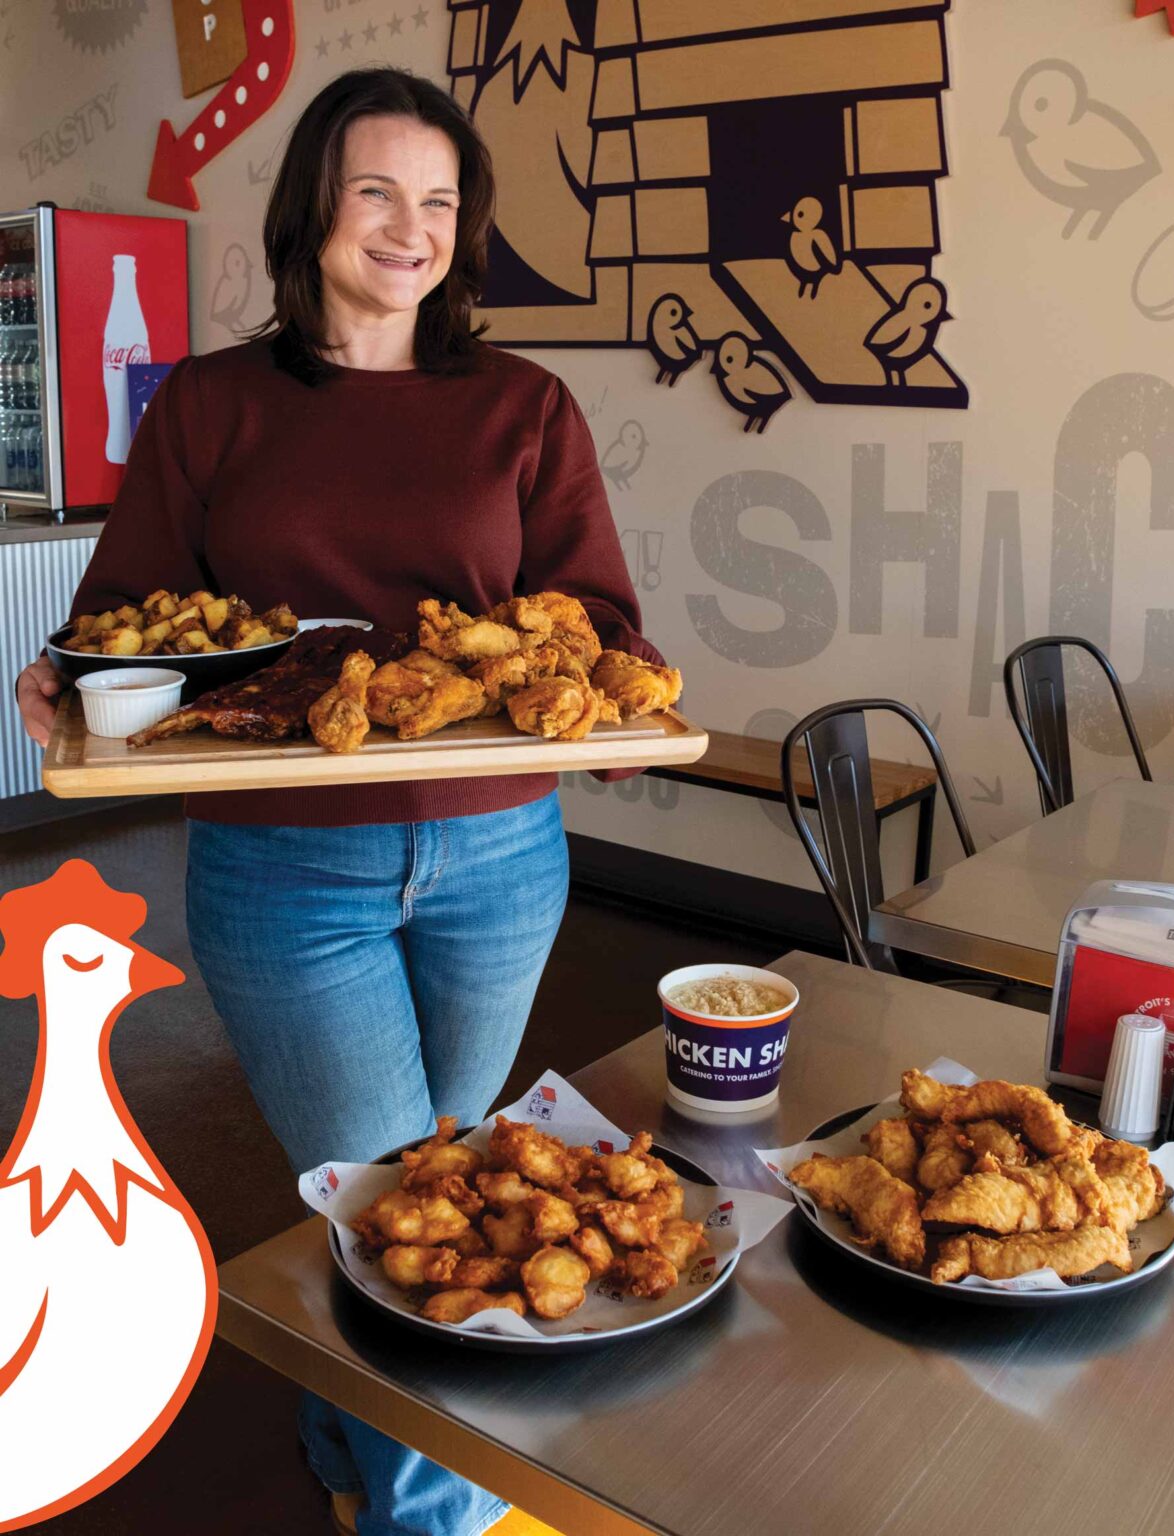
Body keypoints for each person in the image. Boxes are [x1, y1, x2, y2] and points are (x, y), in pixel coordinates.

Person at [17, 67, 663, 1536]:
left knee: (436, 1186)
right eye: (377, 190)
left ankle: (345, 1444)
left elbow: (595, 619)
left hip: (501, 853)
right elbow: (132, 614)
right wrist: (68, 675)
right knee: (396, 1206)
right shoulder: (212, 403)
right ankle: (433, 1517)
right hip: (283, 869)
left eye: (438, 200)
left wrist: (621, 700)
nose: (409, 227)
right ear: (314, 203)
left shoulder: (523, 405)